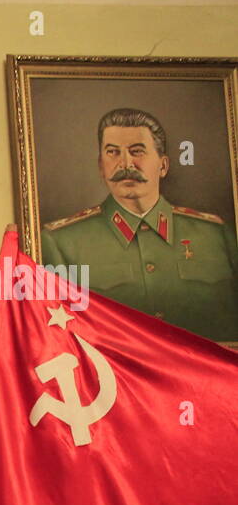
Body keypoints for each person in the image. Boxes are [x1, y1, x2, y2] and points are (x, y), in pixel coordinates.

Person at [40, 107, 238, 342]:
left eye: (137, 151)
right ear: (101, 166)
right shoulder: (62, 242)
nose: (125, 164)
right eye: (112, 152)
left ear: (163, 166)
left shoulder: (215, 234)